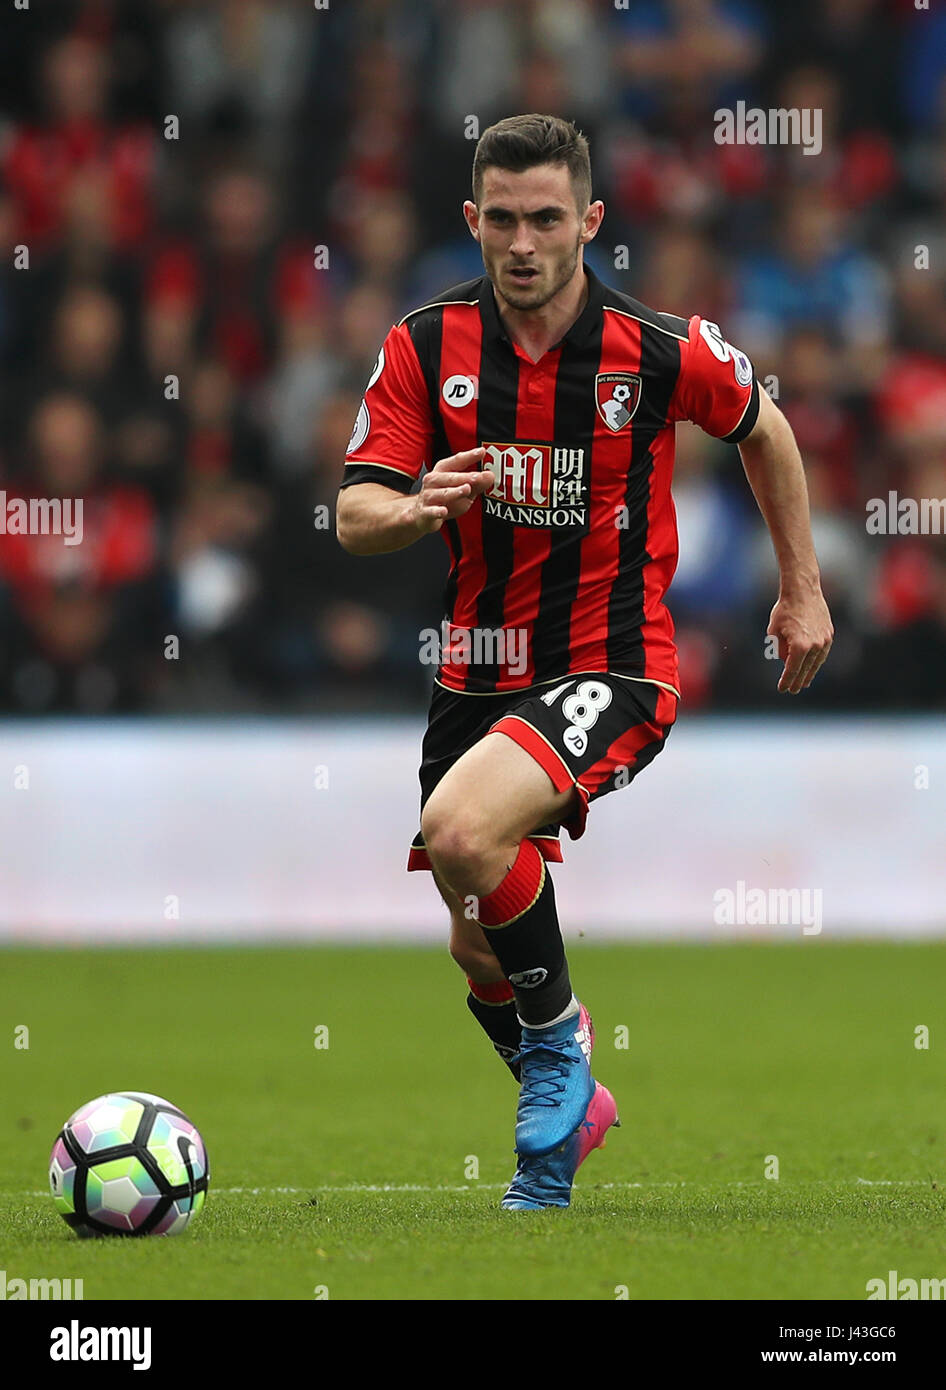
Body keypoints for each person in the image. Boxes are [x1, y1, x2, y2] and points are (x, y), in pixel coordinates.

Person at [335, 113, 833, 1209]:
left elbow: (766, 427)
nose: (523, 242)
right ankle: (570, 1101)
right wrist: (418, 504)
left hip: (615, 664)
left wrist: (799, 588)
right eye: (502, 219)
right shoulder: (424, 345)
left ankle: (558, 1050)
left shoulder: (657, 348)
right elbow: (352, 514)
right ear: (471, 220)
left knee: (463, 831)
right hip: (473, 673)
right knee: (476, 948)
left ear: (589, 221)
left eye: (546, 218)